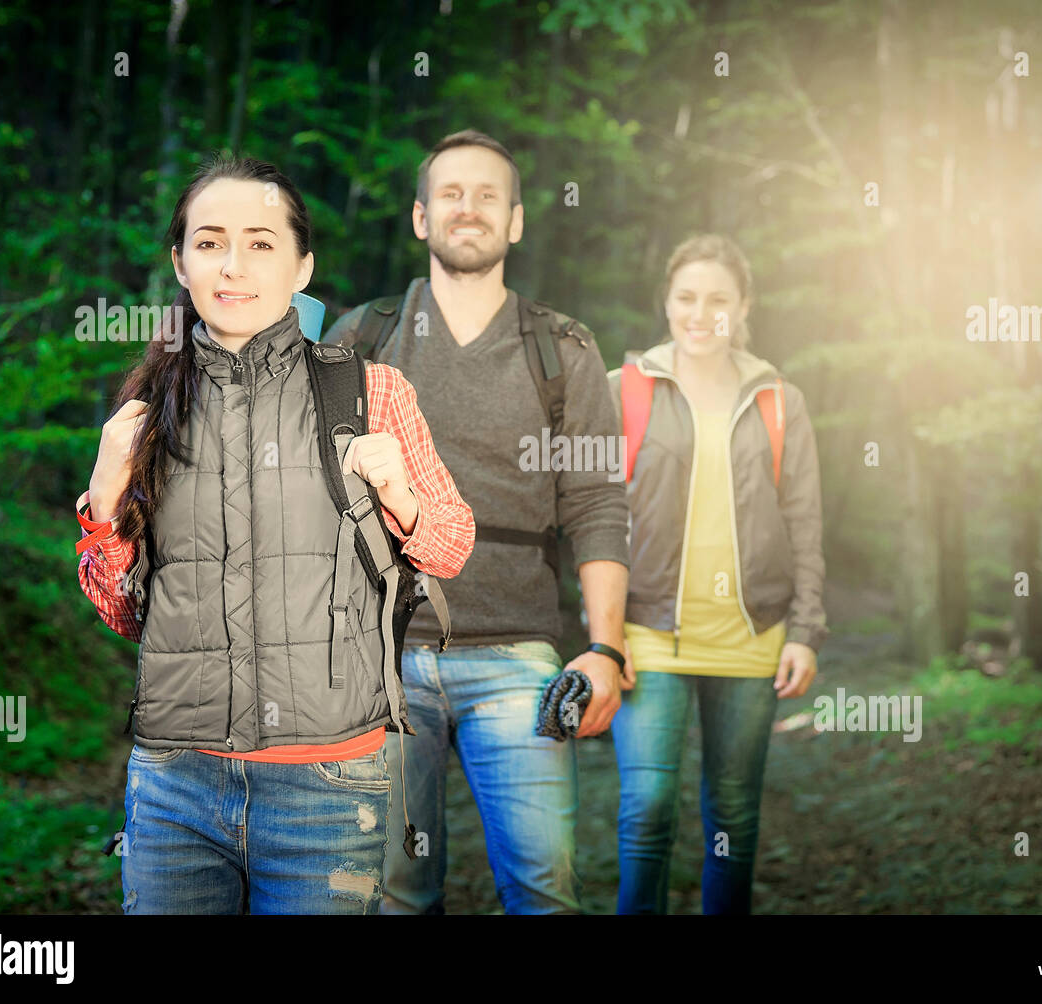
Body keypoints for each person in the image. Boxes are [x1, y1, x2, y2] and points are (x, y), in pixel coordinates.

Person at [74, 155, 475, 914]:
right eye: (209, 242)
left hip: (328, 788)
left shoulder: (369, 390)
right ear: (180, 264)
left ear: (302, 266)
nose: (234, 265)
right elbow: (126, 613)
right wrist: (104, 498)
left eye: (261, 243)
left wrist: (400, 497)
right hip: (174, 789)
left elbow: (451, 544)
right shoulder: (147, 407)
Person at [324, 130, 631, 914]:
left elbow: (596, 505)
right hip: (379, 665)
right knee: (391, 894)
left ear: (516, 221)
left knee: (544, 890)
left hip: (517, 662)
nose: (470, 208)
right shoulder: (359, 339)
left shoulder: (562, 349)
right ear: (421, 218)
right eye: (451, 193)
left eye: (488, 195)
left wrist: (605, 650)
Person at [606, 233, 828, 914]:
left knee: (733, 816)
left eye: (718, 299)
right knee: (646, 810)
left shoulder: (780, 402)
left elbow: (805, 521)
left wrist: (806, 630)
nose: (701, 313)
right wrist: (601, 635)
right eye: (686, 297)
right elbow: (592, 518)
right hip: (647, 634)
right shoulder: (623, 391)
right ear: (667, 302)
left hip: (752, 637)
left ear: (744, 306)